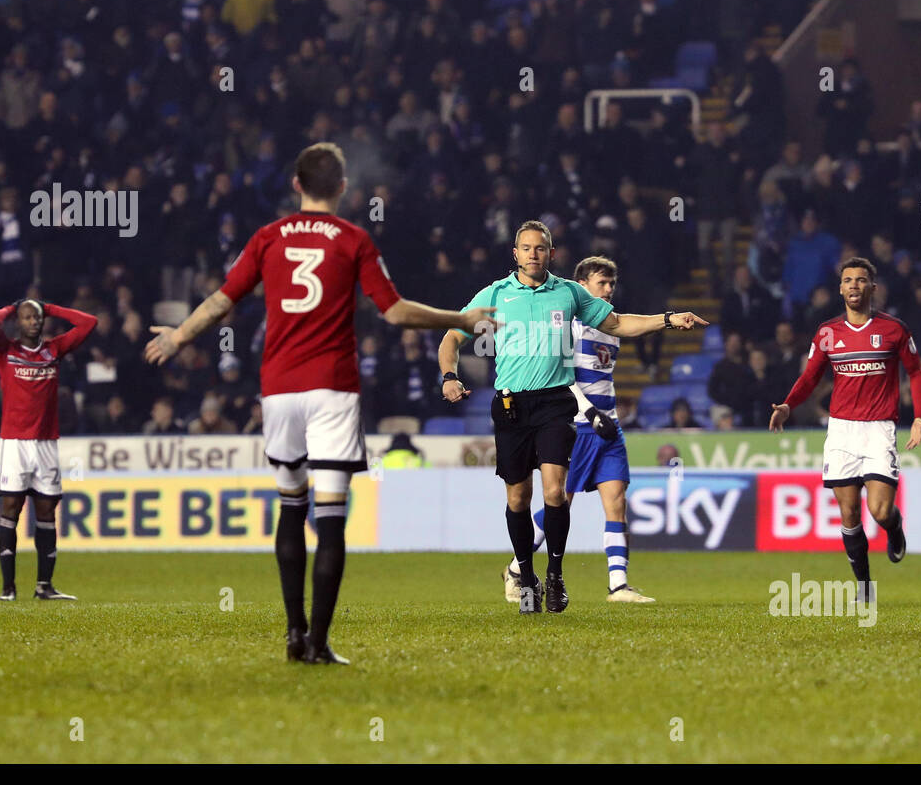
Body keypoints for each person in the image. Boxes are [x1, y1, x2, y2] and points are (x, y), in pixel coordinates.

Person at [144, 142, 494, 664]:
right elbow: (394, 314)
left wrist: (179, 337)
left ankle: (293, 632)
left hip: (279, 388)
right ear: (343, 187)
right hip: (332, 388)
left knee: (290, 504)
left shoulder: (267, 238)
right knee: (330, 517)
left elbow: (222, 300)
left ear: (296, 185)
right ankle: (318, 643)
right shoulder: (353, 239)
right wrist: (460, 320)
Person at [438, 221, 705, 615]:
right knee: (517, 497)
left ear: (551, 252)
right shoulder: (496, 294)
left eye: (540, 248)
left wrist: (667, 318)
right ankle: (526, 576)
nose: (533, 254)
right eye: (526, 248)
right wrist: (449, 376)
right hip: (512, 406)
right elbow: (452, 336)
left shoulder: (569, 293)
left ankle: (556, 575)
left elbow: (617, 323)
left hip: (555, 403)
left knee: (554, 491)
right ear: (515, 254)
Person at [770, 258, 921, 600]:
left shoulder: (894, 330)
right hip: (841, 429)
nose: (854, 285)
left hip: (879, 428)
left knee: (880, 510)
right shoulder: (827, 333)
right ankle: (864, 586)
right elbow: (810, 376)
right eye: (848, 280)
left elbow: (915, 372)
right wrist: (787, 405)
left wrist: (917, 416)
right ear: (840, 288)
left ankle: (894, 527)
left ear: (873, 287)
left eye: (861, 280)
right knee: (849, 512)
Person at [508, 256, 656, 605]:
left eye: (612, 284)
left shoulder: (610, 326)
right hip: (576, 426)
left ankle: (618, 585)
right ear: (582, 286)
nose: (608, 289)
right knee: (560, 501)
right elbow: (562, 377)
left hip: (609, 428)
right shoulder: (569, 325)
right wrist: (589, 413)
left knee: (617, 502)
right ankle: (517, 567)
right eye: (601, 283)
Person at [0, 298, 97, 601]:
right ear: (18, 322)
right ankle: (8, 587)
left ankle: (44, 586)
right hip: (15, 442)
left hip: (46, 442)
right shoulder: (6, 351)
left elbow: (89, 323)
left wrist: (50, 307)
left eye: (38, 317)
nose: (34, 321)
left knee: (47, 510)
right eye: (28, 317)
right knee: (11, 508)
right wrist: (11, 307)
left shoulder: (54, 350)